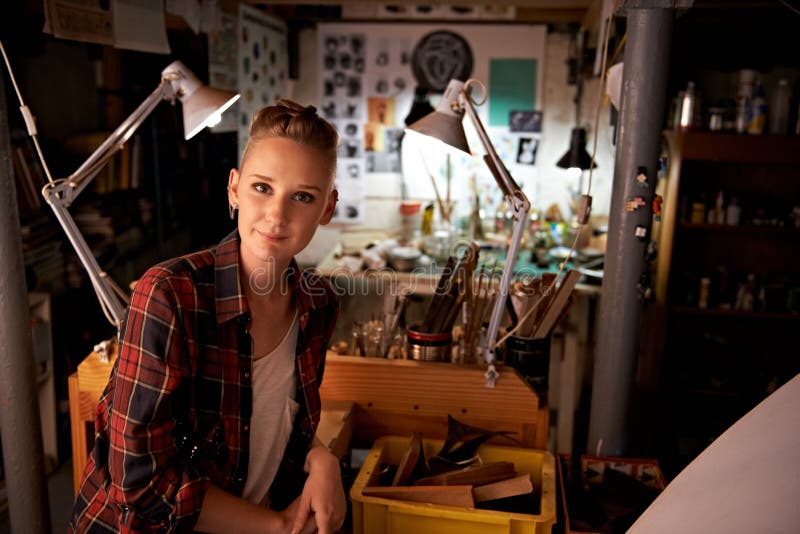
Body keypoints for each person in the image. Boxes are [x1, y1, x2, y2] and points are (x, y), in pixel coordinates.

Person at [70, 100, 344, 533]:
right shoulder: (169, 295)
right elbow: (137, 482)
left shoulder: (318, 303)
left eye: (303, 197)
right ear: (234, 189)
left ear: (327, 208)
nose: (277, 215)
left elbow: (278, 424)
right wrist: (275, 526)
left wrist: (322, 458)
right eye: (262, 188)